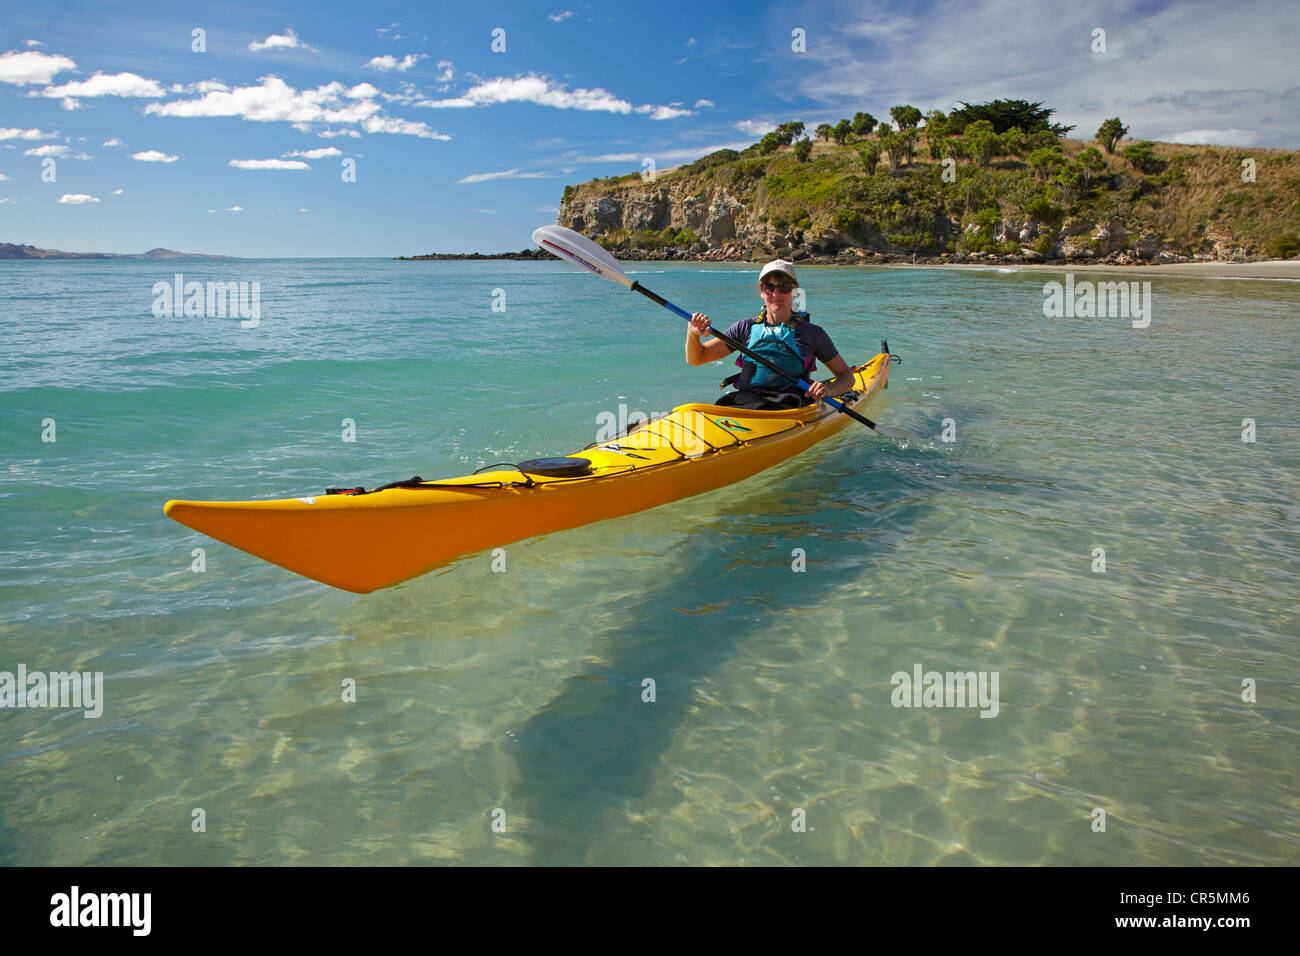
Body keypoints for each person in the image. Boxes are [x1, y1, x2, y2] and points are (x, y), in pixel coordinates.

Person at [685, 259, 855, 410]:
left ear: (795, 290)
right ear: (761, 291)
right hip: (746, 402)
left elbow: (846, 377)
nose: (776, 294)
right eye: (769, 287)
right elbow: (696, 358)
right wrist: (693, 334)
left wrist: (829, 389)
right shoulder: (744, 328)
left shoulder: (813, 333)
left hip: (790, 405)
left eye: (784, 287)